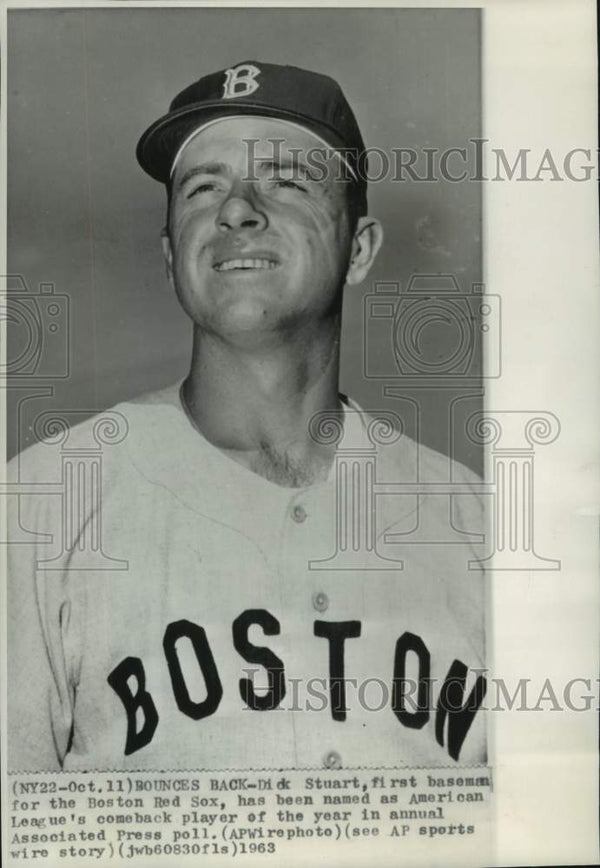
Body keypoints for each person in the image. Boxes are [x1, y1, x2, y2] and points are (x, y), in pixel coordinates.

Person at [7, 61, 486, 772]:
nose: (237, 210)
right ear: (172, 256)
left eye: (287, 181)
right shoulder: (41, 504)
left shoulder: (478, 523)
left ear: (360, 250)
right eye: (203, 188)